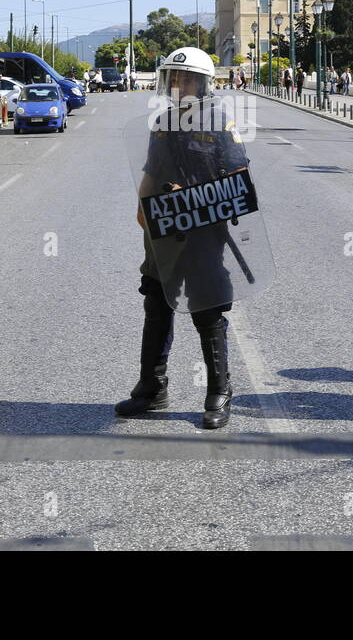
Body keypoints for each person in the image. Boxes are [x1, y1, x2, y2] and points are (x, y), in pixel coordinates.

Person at [117, 46, 247, 429]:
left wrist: (193, 195)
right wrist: (144, 209)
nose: (179, 85)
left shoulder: (220, 125)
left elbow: (237, 181)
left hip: (204, 231)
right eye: (173, 78)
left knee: (207, 310)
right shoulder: (162, 124)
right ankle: (151, 389)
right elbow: (151, 174)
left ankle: (219, 392)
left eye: (186, 78)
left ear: (204, 84)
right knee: (157, 302)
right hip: (164, 231)